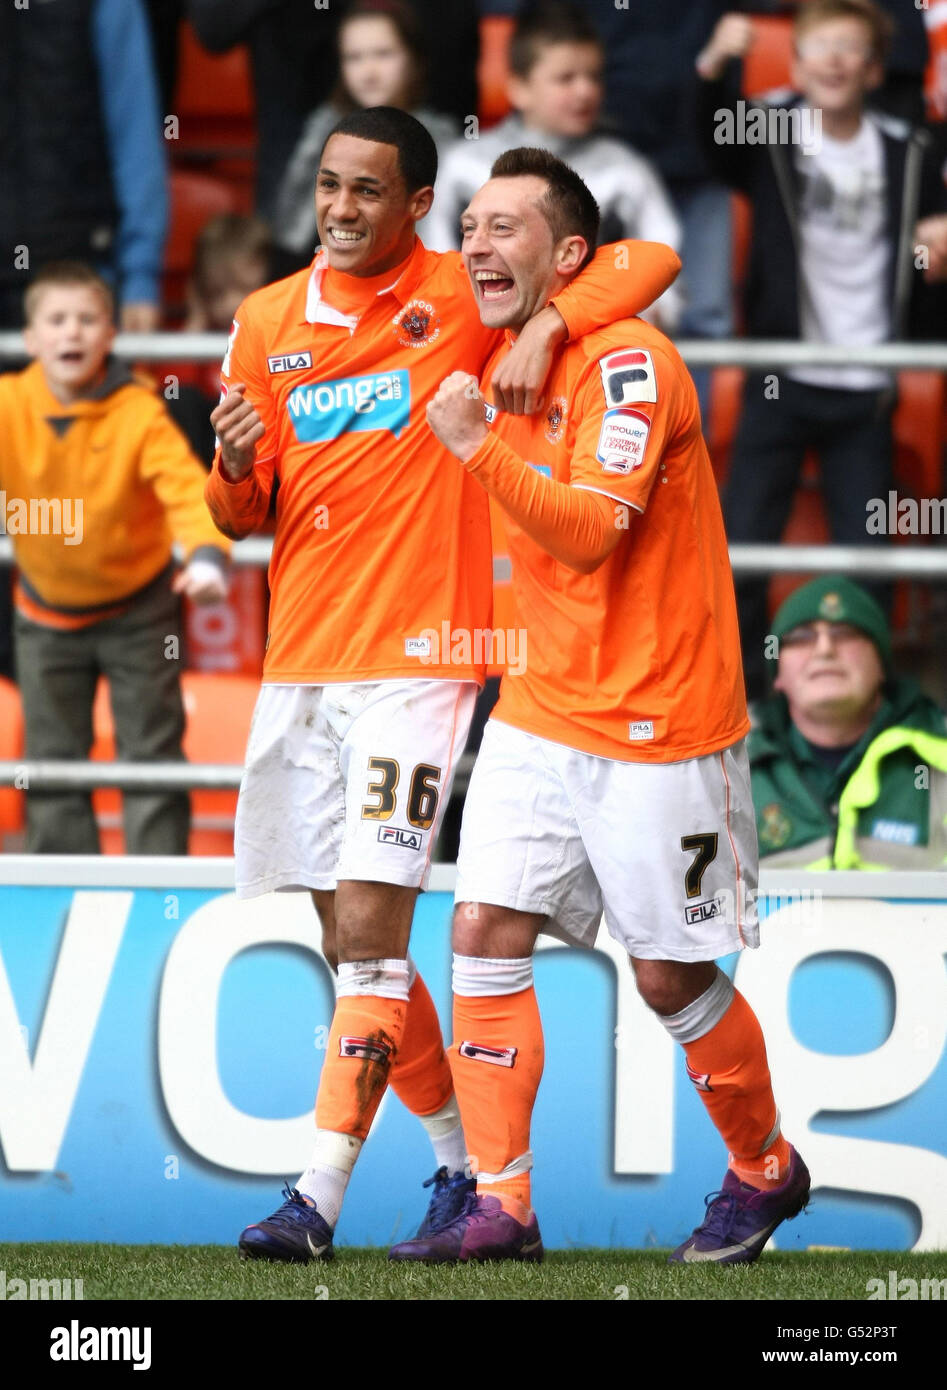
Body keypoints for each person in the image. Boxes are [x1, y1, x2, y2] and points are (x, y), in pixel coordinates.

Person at [204, 106, 680, 1263]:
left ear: (415, 204)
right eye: (327, 185)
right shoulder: (264, 320)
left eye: (367, 191)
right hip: (303, 662)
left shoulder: (463, 294)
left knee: (370, 930)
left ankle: (313, 1199)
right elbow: (238, 514)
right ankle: (458, 1165)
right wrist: (226, 459)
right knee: (349, 943)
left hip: (420, 660)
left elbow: (647, 261)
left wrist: (549, 321)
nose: (340, 209)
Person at [389, 147, 809, 1266]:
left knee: (667, 972)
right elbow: (646, 254)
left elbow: (586, 530)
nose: (475, 243)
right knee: (479, 930)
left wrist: (480, 442)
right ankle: (502, 1205)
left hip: (659, 720)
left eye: (504, 228)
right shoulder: (491, 330)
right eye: (466, 225)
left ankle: (765, 1171)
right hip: (534, 704)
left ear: (568, 257)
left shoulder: (630, 363)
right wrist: (528, 328)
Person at [696, 0, 947, 701]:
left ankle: (866, 703)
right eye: (818, 47)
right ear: (796, 62)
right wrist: (715, 64)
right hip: (780, 375)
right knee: (740, 546)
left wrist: (936, 256)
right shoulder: (772, 130)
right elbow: (709, 145)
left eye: (849, 48)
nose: (833, 60)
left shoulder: (911, 149)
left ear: (872, 68)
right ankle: (741, 698)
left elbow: (925, 275)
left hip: (868, 380)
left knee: (867, 560)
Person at [0, 262, 229, 854]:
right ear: (31, 340)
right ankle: (65, 885)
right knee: (52, 762)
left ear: (110, 336)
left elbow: (185, 488)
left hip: (140, 609)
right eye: (56, 320)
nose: (71, 333)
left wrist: (205, 556)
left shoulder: (141, 411)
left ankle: (158, 885)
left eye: (86, 320)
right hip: (45, 614)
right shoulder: (7, 404)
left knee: (151, 753)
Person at [424, 1, 682, 331]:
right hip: (478, 345)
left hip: (594, 346)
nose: (586, 91)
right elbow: (437, 275)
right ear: (518, 89)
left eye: (593, 76)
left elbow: (662, 285)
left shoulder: (627, 169)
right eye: (566, 78)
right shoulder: (461, 165)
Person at [750, 575, 947, 869]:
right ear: (777, 673)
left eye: (845, 633)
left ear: (881, 664)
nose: (825, 649)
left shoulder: (938, 752)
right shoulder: (730, 761)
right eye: (802, 637)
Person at [273, 0, 459, 267]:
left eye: (383, 54)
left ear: (413, 58)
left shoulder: (440, 136)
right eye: (354, 57)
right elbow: (290, 235)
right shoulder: (323, 128)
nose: (368, 72)